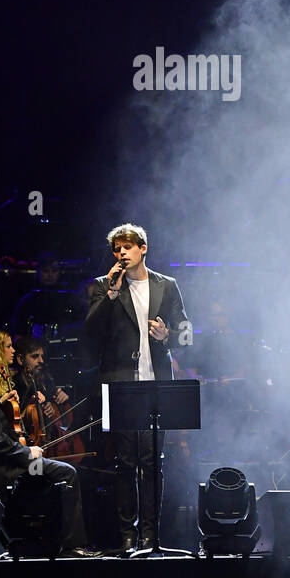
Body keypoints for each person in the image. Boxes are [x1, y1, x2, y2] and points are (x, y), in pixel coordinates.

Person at [85, 222, 188, 554]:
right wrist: (112, 295)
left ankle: (150, 535)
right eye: (116, 249)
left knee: (152, 460)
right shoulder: (104, 286)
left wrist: (167, 336)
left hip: (156, 381)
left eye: (127, 247)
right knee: (126, 460)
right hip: (121, 383)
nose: (121, 253)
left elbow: (187, 333)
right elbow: (91, 333)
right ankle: (127, 535)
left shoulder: (166, 286)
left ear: (143, 248)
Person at [0, 337, 97, 557]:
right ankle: (71, 545)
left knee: (58, 470)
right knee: (67, 472)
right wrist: (28, 452)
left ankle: (48, 540)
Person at [11, 254, 85, 339]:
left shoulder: (68, 297)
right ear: (38, 272)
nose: (50, 275)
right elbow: (18, 326)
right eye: (45, 271)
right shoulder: (28, 299)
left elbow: (79, 321)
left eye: (54, 271)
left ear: (59, 272)